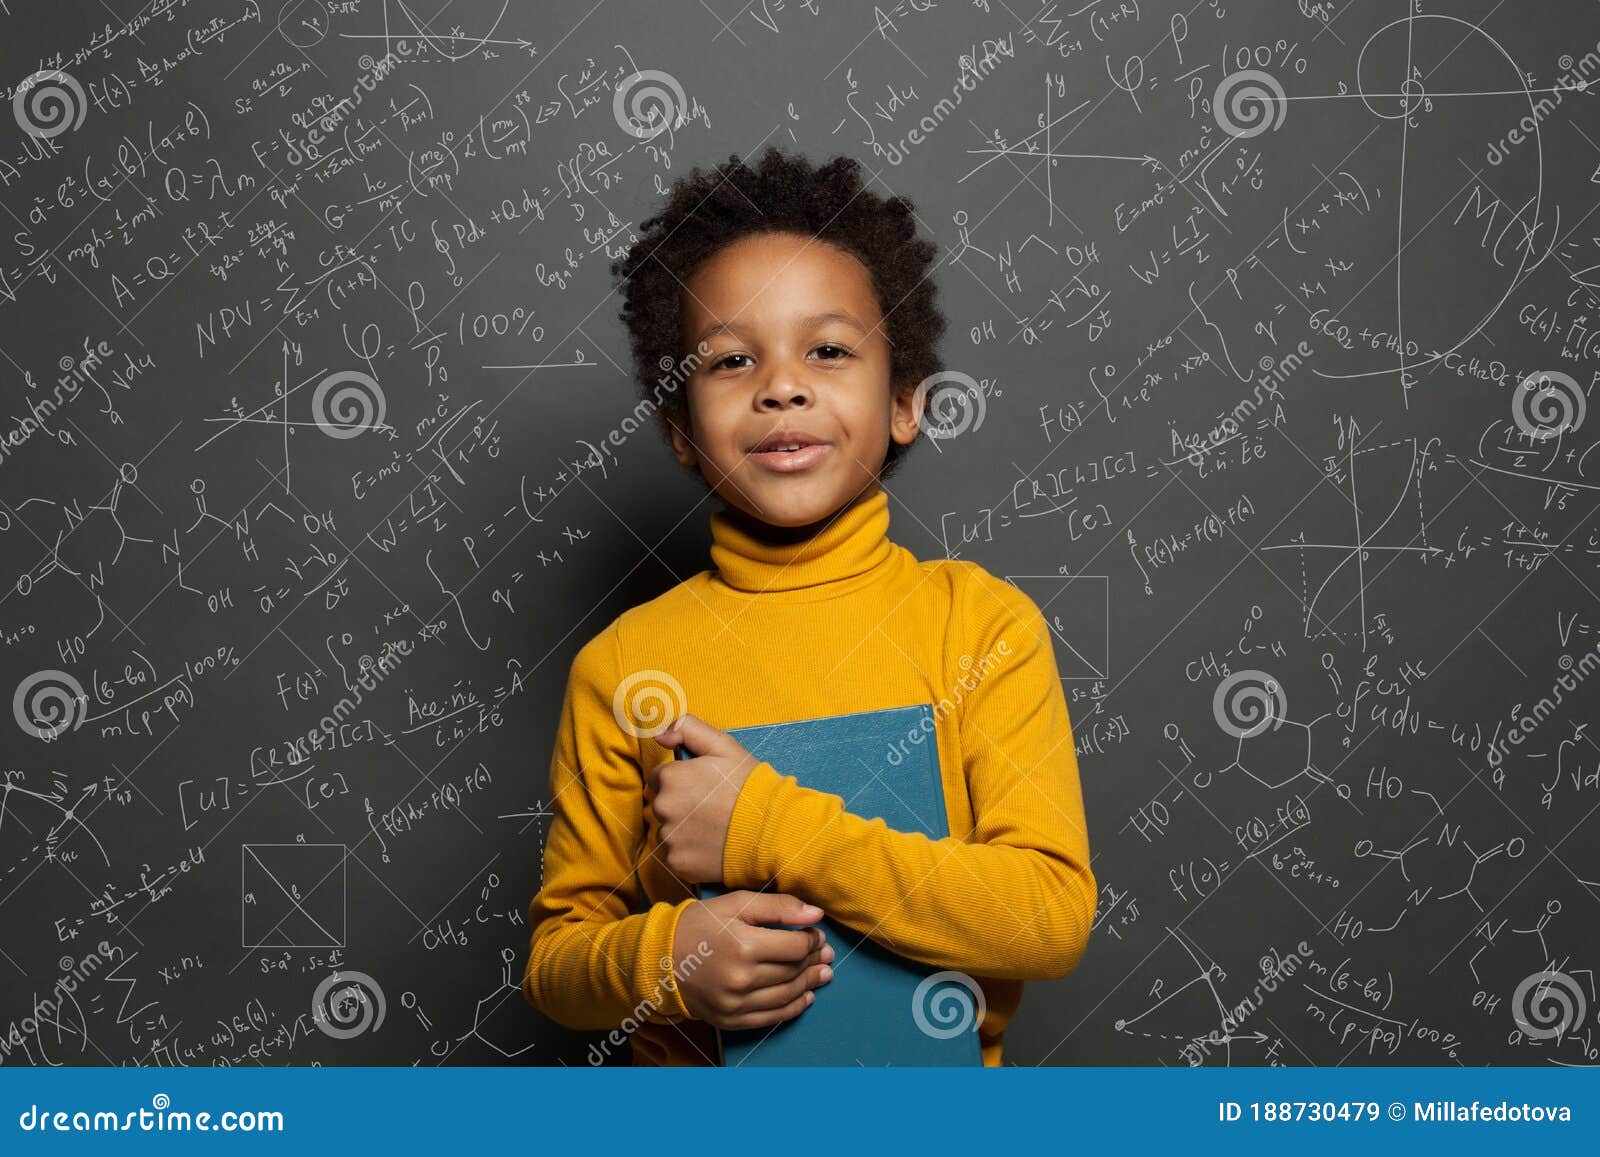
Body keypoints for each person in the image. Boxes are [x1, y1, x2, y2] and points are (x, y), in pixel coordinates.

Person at [521, 147, 1095, 1065]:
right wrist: (663, 959)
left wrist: (766, 824)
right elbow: (558, 961)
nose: (781, 384)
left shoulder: (980, 627)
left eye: (828, 351)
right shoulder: (626, 668)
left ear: (905, 401)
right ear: (680, 429)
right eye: (730, 359)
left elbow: (1047, 919)